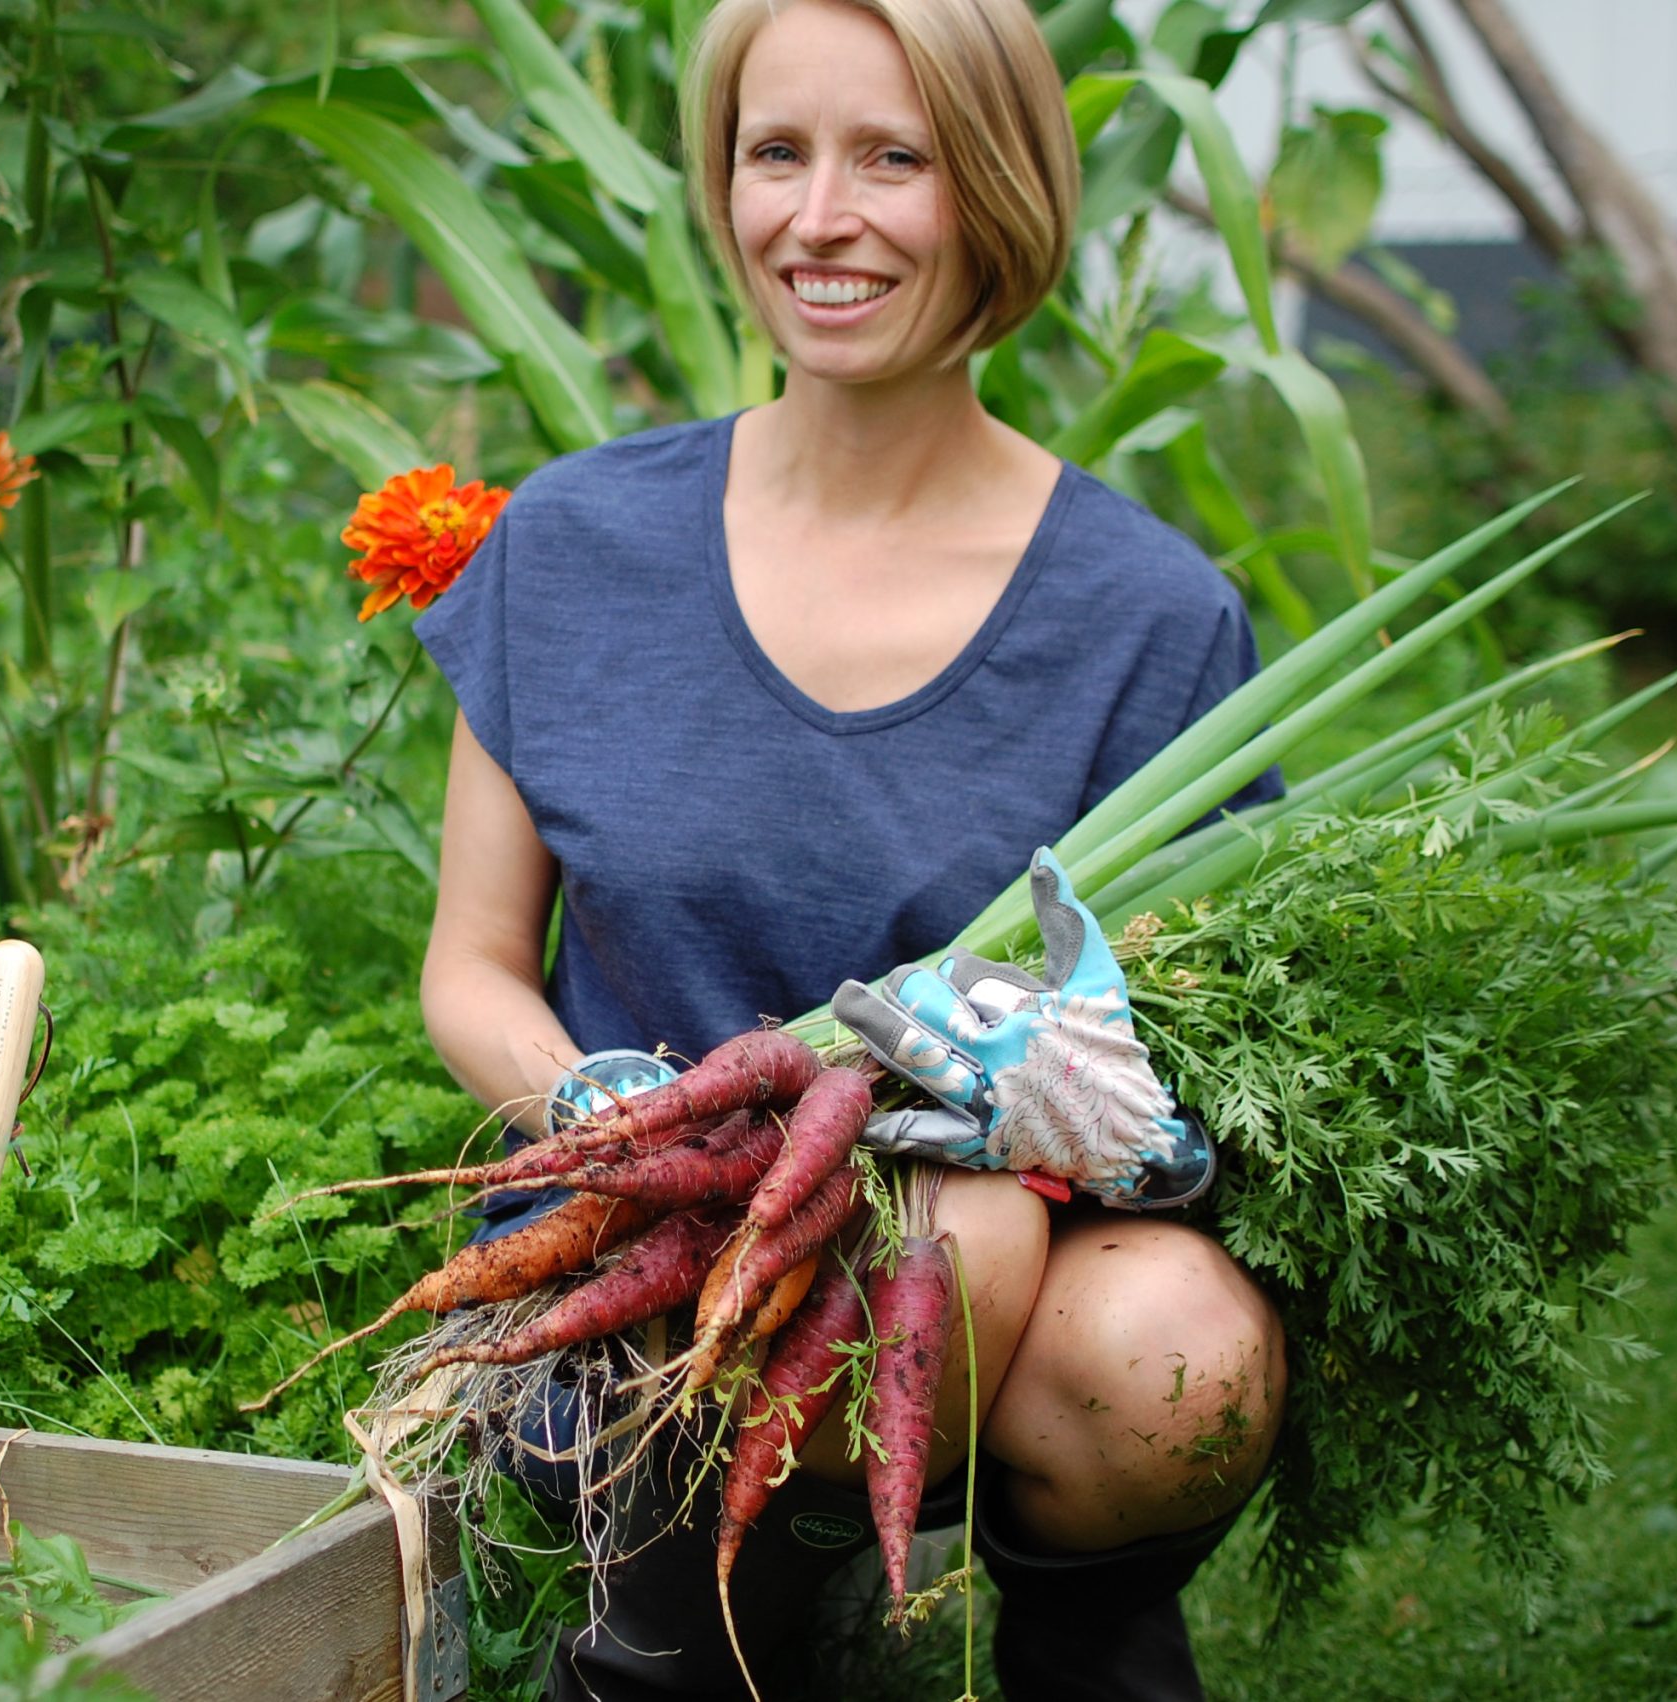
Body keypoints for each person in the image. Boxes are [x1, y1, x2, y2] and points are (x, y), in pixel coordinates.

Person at [409, 1, 1289, 1697]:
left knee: (1141, 1329)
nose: (822, 218)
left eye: (896, 156)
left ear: (1001, 187)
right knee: (911, 1261)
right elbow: (470, 961)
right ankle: (725, 1604)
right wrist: (610, 1115)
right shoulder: (575, 544)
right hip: (653, 1241)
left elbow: (1213, 1034)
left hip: (985, 1263)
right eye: (777, 153)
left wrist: (1085, 1089)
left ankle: (1086, 1633)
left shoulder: (1149, 618)